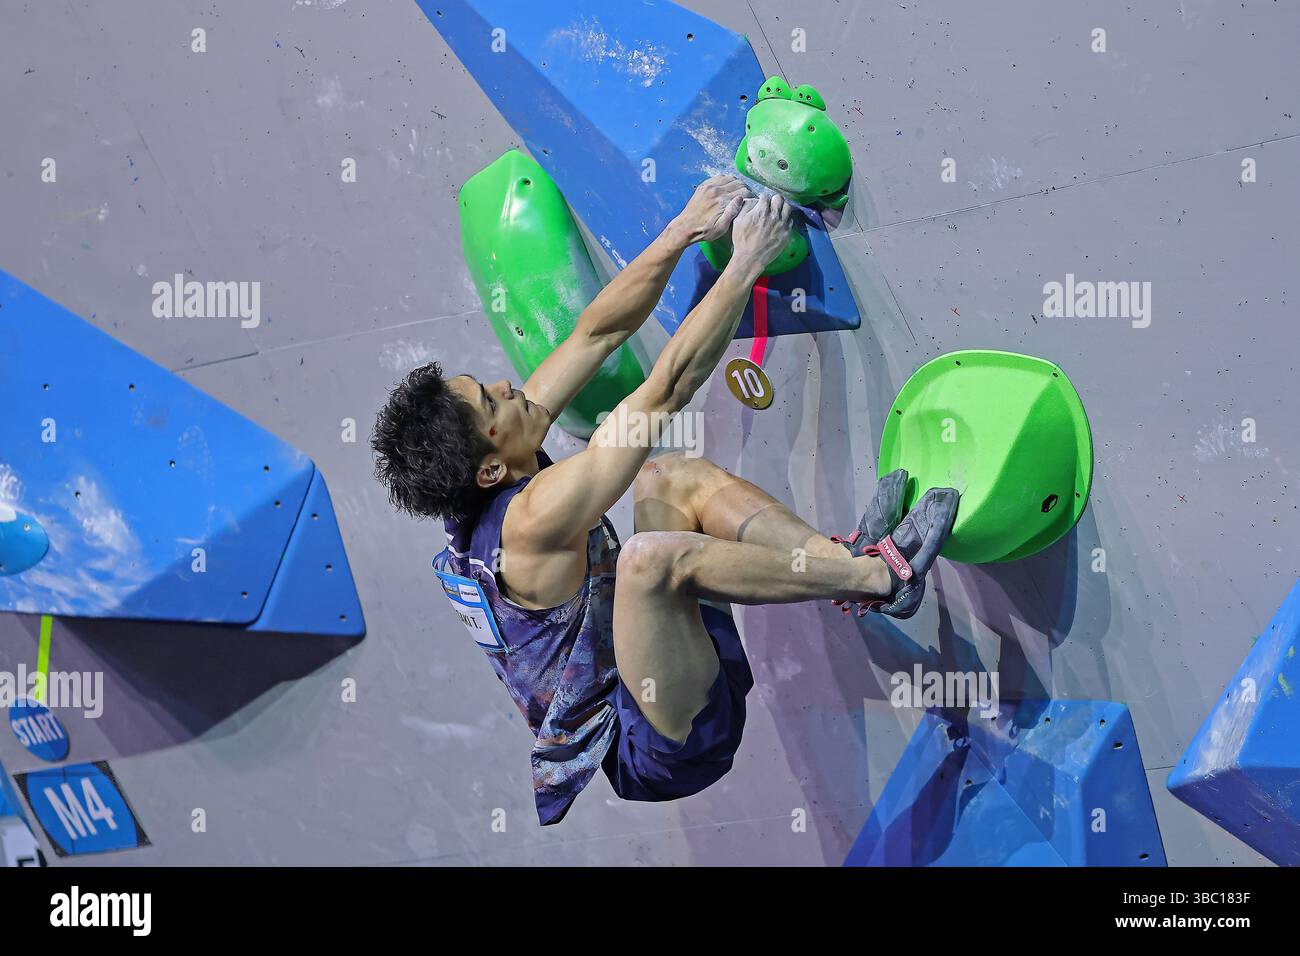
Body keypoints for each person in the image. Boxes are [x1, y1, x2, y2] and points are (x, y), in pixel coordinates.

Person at [372, 176, 958, 825]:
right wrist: (746, 263)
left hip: (662, 656)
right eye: (491, 401)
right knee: (650, 560)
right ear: (488, 466)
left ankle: (842, 564)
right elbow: (665, 390)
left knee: (666, 480)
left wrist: (685, 228)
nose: (508, 384)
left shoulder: (491, 462)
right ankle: (878, 574)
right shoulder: (530, 520)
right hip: (658, 742)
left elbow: (596, 333)